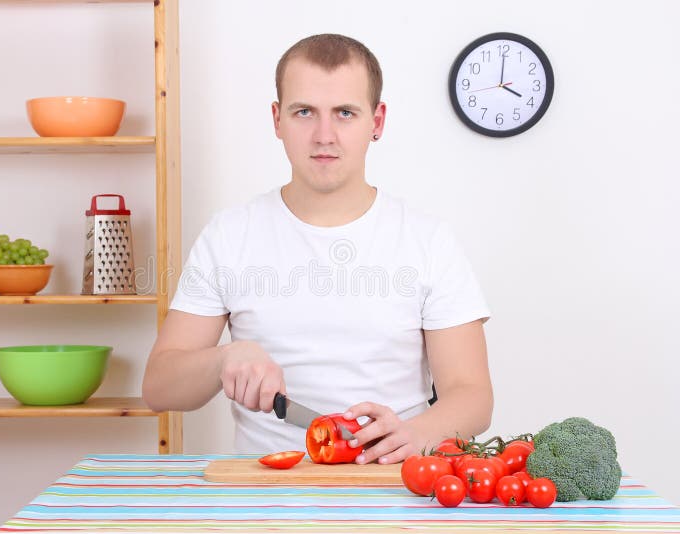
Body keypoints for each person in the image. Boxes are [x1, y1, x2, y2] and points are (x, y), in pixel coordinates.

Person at [142, 33, 493, 465]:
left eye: (345, 113)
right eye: (304, 112)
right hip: (265, 491)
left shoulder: (429, 241)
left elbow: (473, 395)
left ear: (376, 121)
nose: (323, 135)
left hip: (393, 486)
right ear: (277, 120)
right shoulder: (229, 235)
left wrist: (413, 433)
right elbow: (158, 387)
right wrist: (224, 359)